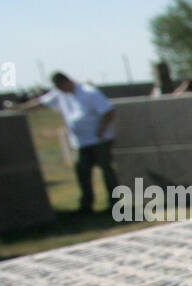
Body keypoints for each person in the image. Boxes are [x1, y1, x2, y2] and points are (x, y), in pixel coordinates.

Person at [7, 71, 118, 213]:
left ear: (67, 81)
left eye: (61, 86)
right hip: (81, 142)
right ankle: (86, 205)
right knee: (82, 172)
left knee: (107, 171)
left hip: (99, 140)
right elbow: (41, 102)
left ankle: (114, 204)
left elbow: (108, 110)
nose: (61, 90)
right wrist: (18, 108)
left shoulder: (89, 92)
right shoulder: (59, 94)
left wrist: (102, 129)